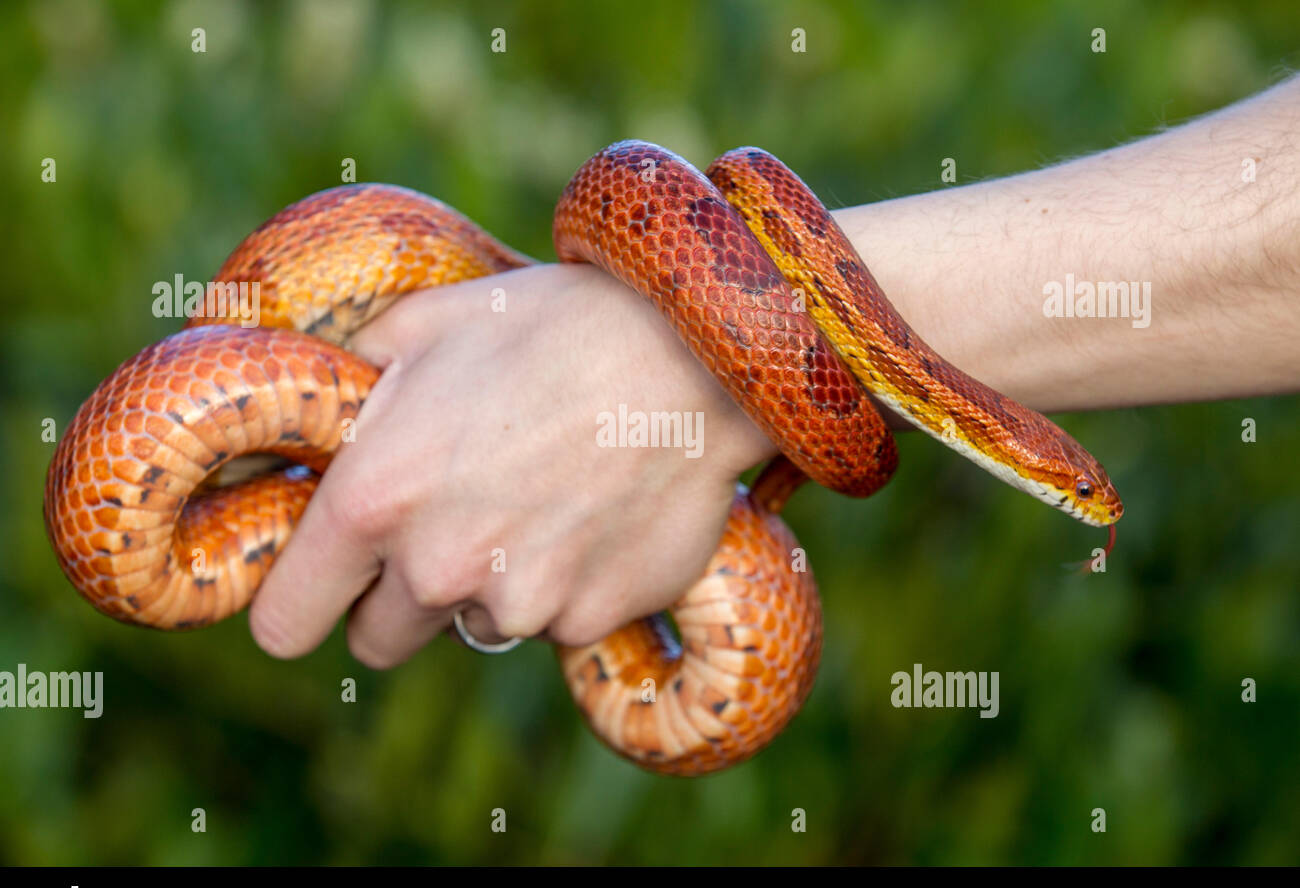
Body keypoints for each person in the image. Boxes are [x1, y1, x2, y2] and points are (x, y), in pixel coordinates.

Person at [247, 77, 1300, 667]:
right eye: (1073, 486)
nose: (1084, 499)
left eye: (1077, 490)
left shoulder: (879, 412)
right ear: (1017, 450)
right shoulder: (884, 383)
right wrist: (680, 375)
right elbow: (743, 187)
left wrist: (689, 392)